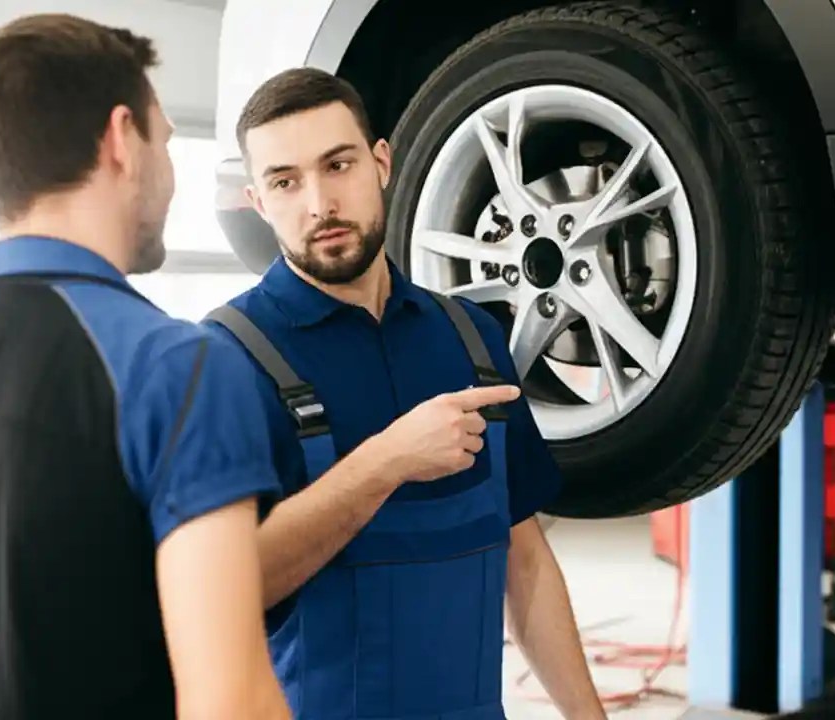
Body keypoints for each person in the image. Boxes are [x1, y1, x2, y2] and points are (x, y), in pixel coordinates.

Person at [0, 14, 289, 720]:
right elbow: (232, 702)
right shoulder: (181, 370)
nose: (168, 173)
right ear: (119, 140)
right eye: (165, 142)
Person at [201, 67, 608, 720]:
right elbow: (229, 589)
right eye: (285, 181)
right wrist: (388, 460)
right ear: (257, 200)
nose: (318, 203)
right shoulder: (224, 359)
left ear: (381, 162)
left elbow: (525, 562)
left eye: (338, 165)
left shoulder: (472, 339)